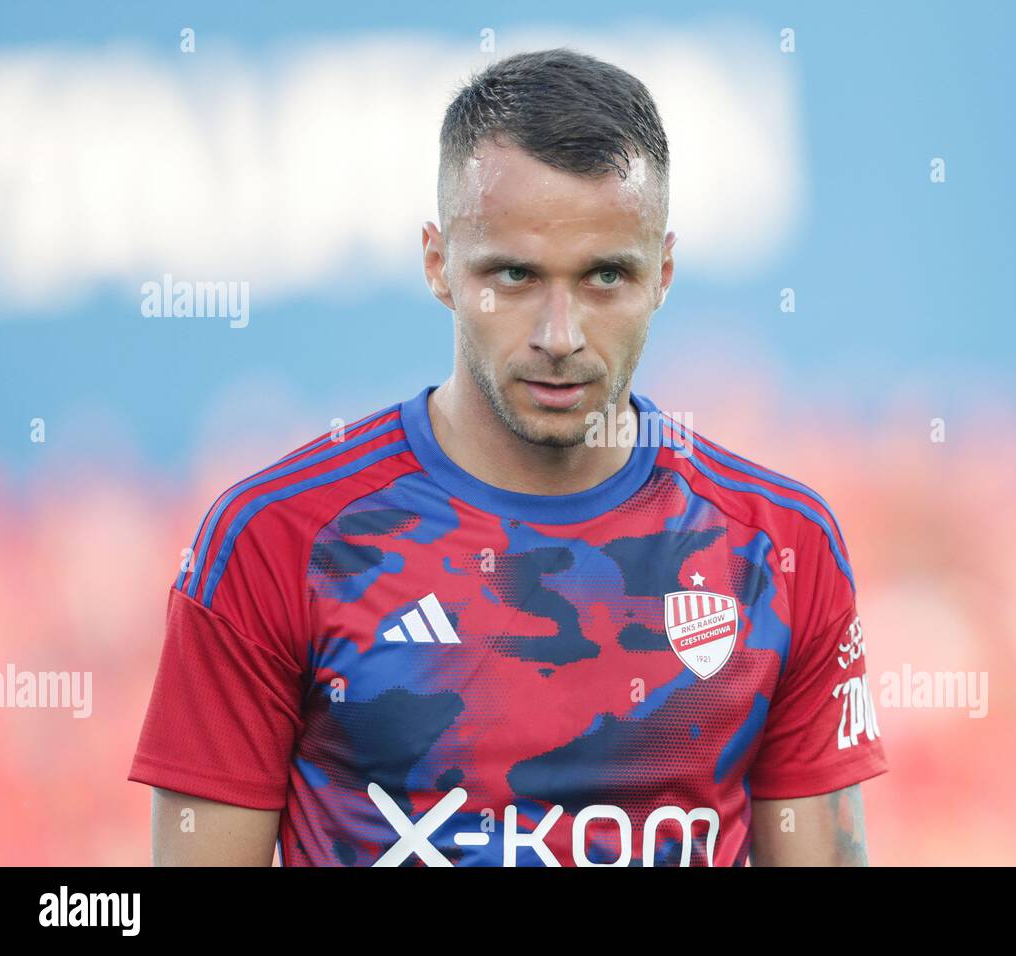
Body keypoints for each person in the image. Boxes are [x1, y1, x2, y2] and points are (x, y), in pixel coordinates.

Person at [128, 46, 887, 867]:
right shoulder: (276, 541)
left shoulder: (780, 545)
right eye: (515, 275)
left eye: (605, 277)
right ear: (439, 264)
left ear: (663, 272)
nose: (559, 337)